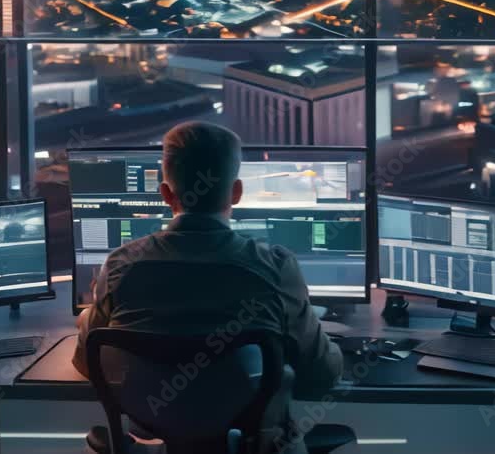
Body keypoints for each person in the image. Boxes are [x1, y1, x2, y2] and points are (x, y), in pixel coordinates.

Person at [73, 121, 343, 453]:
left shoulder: (120, 266)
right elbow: (322, 377)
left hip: (154, 442)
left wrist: (87, 319)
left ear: (166, 194)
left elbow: (87, 362)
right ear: (237, 192)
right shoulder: (275, 267)